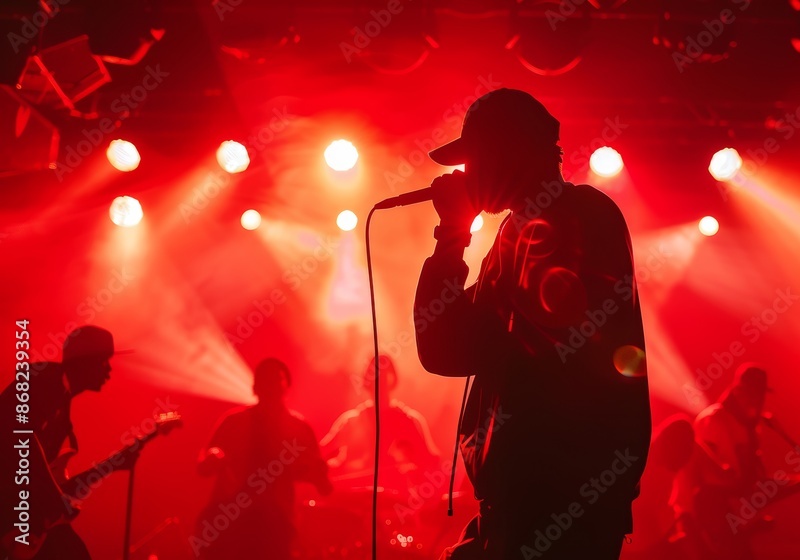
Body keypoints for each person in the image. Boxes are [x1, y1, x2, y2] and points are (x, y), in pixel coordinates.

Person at [411, 88, 651, 559]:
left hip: (558, 504)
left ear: (509, 153)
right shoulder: (515, 232)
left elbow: (521, 347)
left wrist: (456, 232)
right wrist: (451, 236)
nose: (466, 174)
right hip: (522, 504)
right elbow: (443, 348)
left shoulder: (576, 216)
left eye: (475, 160)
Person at [1, 325, 123, 560]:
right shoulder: (44, 379)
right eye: (103, 361)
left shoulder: (61, 402)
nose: (109, 369)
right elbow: (20, 435)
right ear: (84, 362)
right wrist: (55, 497)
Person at [191, 358, 332, 560]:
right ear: (256, 387)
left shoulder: (299, 429)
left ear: (285, 387)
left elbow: (321, 484)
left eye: (275, 380)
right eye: (266, 381)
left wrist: (319, 475)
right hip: (231, 525)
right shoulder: (235, 422)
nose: (271, 387)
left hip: (274, 526)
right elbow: (204, 464)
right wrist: (213, 457)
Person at [669, 363, 770, 560]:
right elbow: (702, 479)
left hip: (728, 518)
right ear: (739, 391)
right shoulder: (713, 420)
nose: (758, 400)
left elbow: (749, 481)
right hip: (704, 518)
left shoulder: (749, 427)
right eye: (753, 394)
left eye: (760, 394)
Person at [320, 354, 441, 495]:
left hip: (395, 498)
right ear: (366, 380)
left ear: (392, 379)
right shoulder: (351, 421)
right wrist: (331, 467)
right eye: (375, 374)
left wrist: (413, 470)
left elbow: (431, 461)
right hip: (356, 497)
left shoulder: (408, 421)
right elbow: (321, 455)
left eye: (384, 375)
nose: (379, 379)